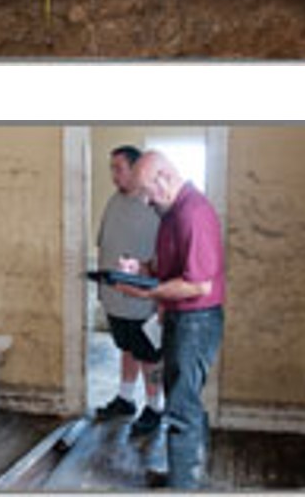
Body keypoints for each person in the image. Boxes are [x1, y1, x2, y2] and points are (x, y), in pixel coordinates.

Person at [116, 151, 225, 489]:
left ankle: (182, 486)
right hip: (183, 319)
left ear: (163, 177)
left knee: (180, 408)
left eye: (147, 192)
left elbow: (199, 284)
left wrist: (146, 293)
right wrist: (140, 269)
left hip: (196, 322)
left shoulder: (194, 213)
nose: (146, 201)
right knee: (183, 400)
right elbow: (168, 267)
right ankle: (185, 475)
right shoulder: (171, 212)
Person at [96, 146, 164, 437]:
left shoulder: (153, 204)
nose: (113, 175)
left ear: (136, 170)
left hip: (145, 299)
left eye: (118, 169)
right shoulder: (114, 201)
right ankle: (125, 399)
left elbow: (165, 255)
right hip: (116, 296)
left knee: (149, 355)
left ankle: (155, 407)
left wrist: (161, 297)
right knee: (127, 348)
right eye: (111, 169)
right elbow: (104, 243)